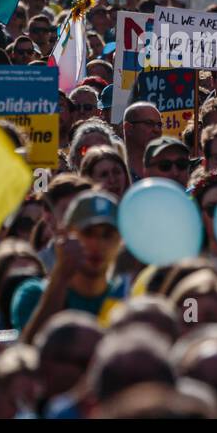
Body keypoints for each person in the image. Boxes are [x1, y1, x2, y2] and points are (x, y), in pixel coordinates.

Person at [13, 190, 126, 343]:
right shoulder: (34, 294)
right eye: (88, 233)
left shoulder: (124, 300)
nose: (98, 244)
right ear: (65, 234)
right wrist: (61, 276)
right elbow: (30, 348)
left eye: (107, 235)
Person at [121, 102, 162, 180]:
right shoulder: (114, 169)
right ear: (128, 128)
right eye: (149, 123)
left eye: (159, 125)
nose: (157, 130)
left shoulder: (168, 167)